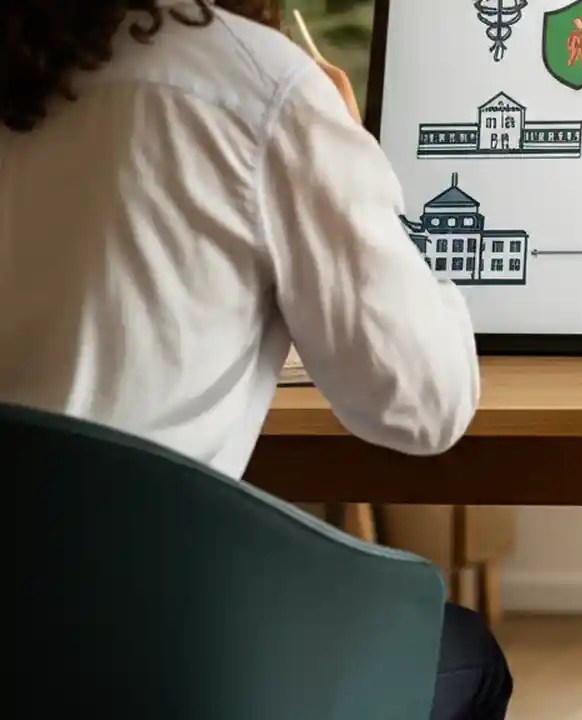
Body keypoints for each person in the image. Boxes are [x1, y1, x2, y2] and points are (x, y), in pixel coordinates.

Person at [0, 1, 512, 717]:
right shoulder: (255, 83)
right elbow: (424, 404)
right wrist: (358, 173)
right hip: (157, 656)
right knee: (463, 655)